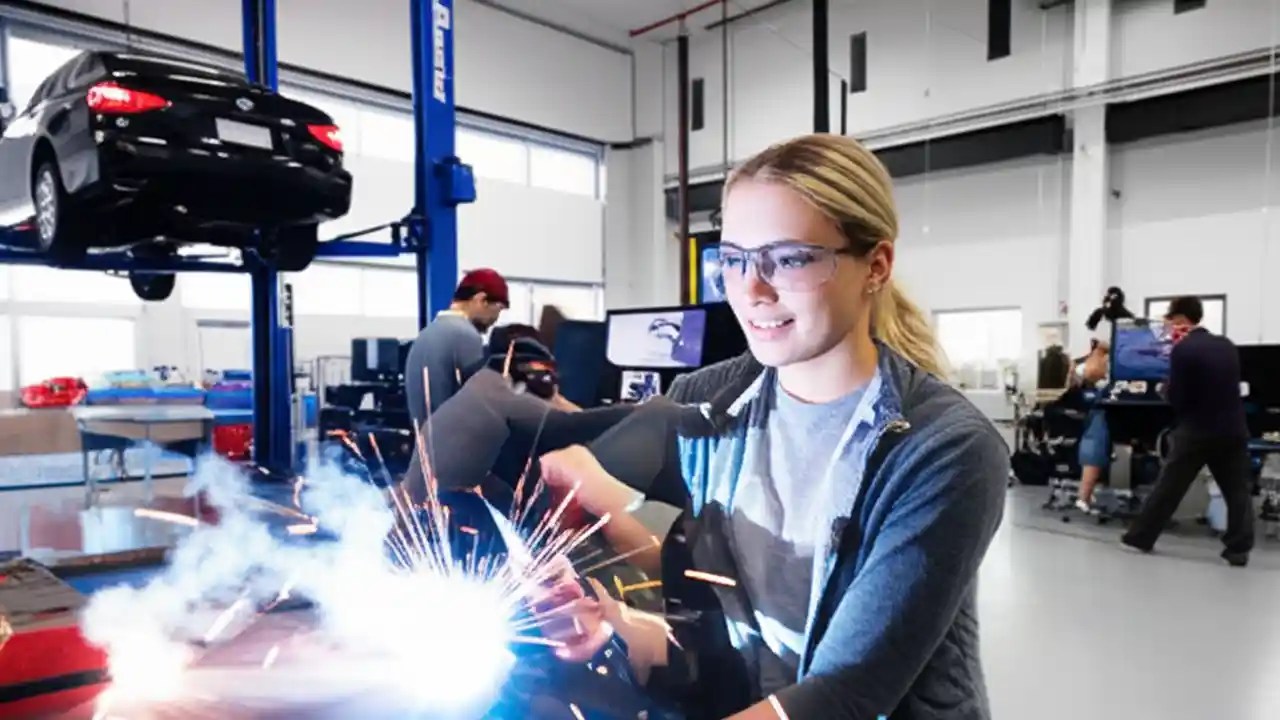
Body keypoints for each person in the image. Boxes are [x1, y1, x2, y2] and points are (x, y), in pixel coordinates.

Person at [538, 134, 1009, 720]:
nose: (752, 290)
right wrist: (613, 624)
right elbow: (720, 610)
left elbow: (847, 694)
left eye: (789, 259)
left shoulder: (944, 449)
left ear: (876, 266)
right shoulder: (705, 401)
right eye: (733, 259)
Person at [1122, 296, 1254, 566]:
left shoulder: (1183, 350)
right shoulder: (1226, 345)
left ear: (1181, 320)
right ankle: (1238, 550)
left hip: (1197, 430)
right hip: (1233, 428)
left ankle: (1141, 537)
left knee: (1169, 486)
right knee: (1237, 491)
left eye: (1170, 321)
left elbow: (1179, 399)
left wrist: (1164, 390)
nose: (1169, 327)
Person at [403, 268, 508, 430]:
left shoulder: (426, 334)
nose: (495, 320)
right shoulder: (465, 334)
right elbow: (484, 402)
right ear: (481, 300)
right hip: (455, 445)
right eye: (498, 310)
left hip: (426, 445)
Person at [1074, 286, 1135, 513]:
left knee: (1097, 428)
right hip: (1113, 393)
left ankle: (1085, 493)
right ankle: (1085, 493)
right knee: (1098, 428)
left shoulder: (1117, 324)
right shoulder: (1113, 323)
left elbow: (1089, 370)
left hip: (1113, 392)